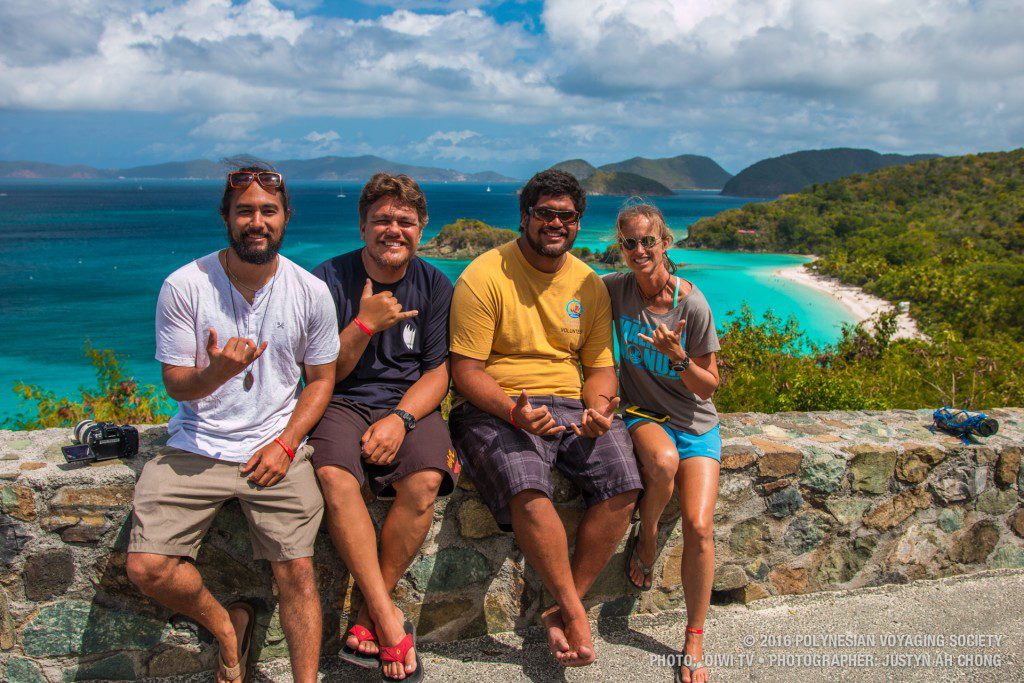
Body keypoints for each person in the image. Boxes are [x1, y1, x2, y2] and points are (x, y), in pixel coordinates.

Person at [126, 165, 340, 683]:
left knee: (298, 573)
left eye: (268, 210)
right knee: (146, 567)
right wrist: (216, 372)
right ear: (226, 217)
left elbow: (320, 382)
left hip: (275, 446)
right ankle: (226, 627)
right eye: (244, 210)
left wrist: (288, 444)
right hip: (196, 444)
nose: (256, 221)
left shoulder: (310, 292)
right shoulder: (185, 285)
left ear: (286, 217)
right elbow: (177, 384)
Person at [448, 168, 642, 668]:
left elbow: (600, 366)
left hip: (570, 405)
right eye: (545, 214)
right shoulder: (484, 275)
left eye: (567, 216)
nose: (556, 224)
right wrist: (514, 410)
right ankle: (577, 616)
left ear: (578, 222)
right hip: (499, 404)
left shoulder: (588, 284)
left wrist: (599, 410)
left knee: (624, 482)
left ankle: (561, 607)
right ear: (525, 216)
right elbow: (465, 371)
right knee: (528, 488)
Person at [308, 172, 456, 682]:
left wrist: (401, 419)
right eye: (383, 220)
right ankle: (390, 622)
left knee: (426, 481)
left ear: (422, 229)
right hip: (341, 399)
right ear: (363, 225)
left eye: (406, 221)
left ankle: (371, 612)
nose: (394, 230)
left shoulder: (435, 285)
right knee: (333, 478)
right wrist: (364, 324)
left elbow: (438, 371)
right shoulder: (326, 280)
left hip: (407, 404)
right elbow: (323, 374)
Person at [602, 203, 721, 683]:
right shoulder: (616, 289)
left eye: (648, 241)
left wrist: (676, 357)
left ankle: (694, 635)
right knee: (663, 462)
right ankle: (647, 538)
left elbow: (709, 386)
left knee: (699, 526)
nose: (639, 251)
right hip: (644, 413)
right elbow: (565, 289)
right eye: (629, 243)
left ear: (665, 243)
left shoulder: (692, 304)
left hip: (695, 419)